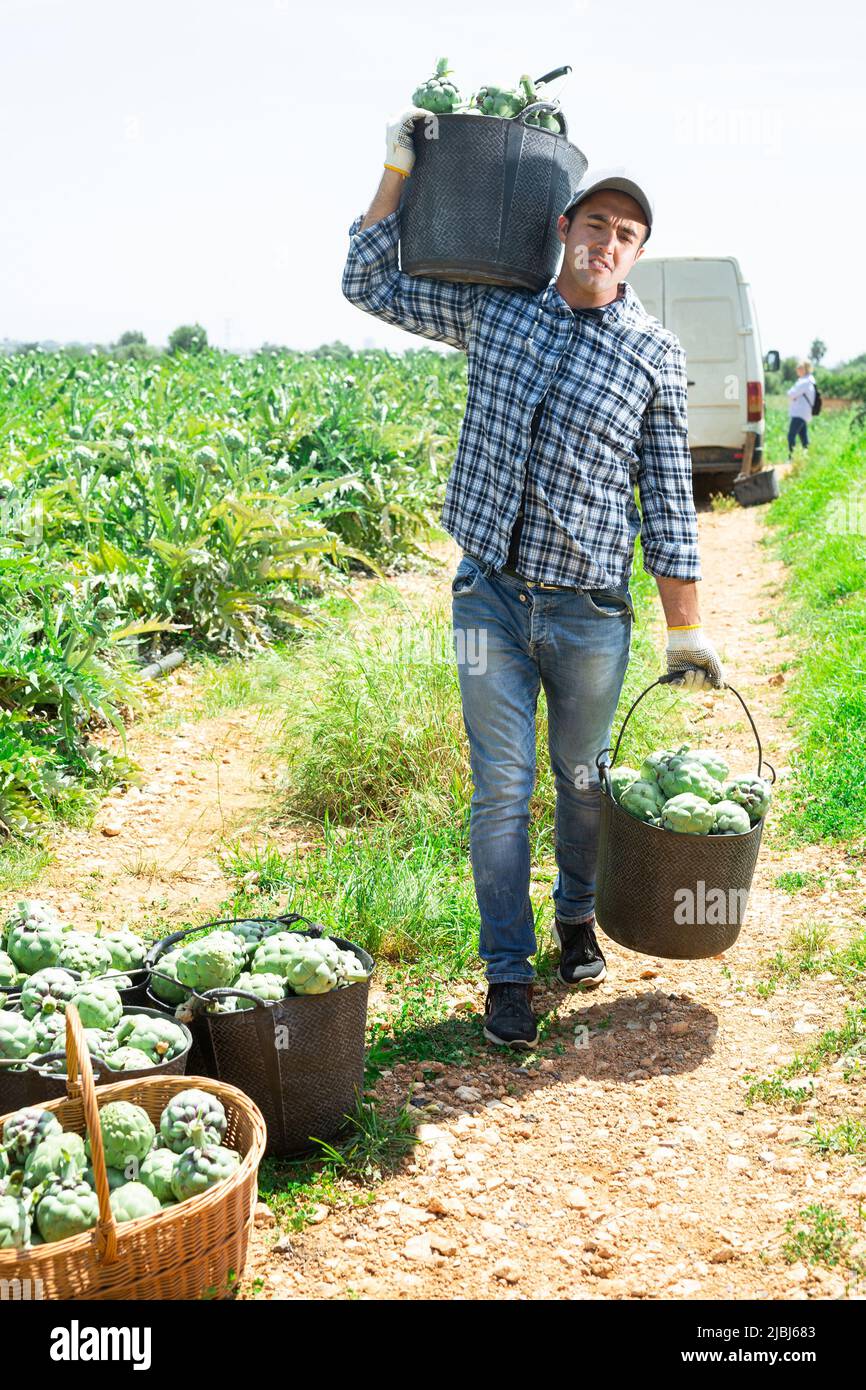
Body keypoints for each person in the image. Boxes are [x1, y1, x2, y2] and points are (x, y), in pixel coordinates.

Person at [342, 110, 723, 1049]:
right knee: (501, 786)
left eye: (626, 235)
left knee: (584, 780)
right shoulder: (498, 308)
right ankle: (507, 971)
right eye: (595, 224)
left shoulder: (653, 355)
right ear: (563, 228)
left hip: (591, 609)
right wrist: (397, 166)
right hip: (489, 598)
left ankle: (577, 916)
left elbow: (669, 500)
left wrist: (686, 630)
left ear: (637, 256)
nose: (607, 243)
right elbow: (367, 280)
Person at [786, 359, 816, 459]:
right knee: (804, 437)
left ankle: (792, 458)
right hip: (803, 413)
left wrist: (792, 394)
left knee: (791, 436)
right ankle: (806, 457)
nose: (797, 369)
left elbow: (791, 393)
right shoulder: (809, 380)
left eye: (800, 367)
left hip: (799, 412)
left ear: (805, 369)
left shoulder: (804, 382)